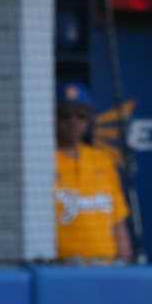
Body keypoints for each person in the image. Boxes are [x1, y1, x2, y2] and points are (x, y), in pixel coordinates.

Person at [52, 81, 131, 263]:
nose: (73, 121)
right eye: (65, 114)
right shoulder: (41, 163)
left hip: (105, 266)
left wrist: (126, 263)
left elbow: (118, 220)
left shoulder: (102, 160)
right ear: (54, 118)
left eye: (80, 114)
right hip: (61, 268)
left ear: (89, 119)